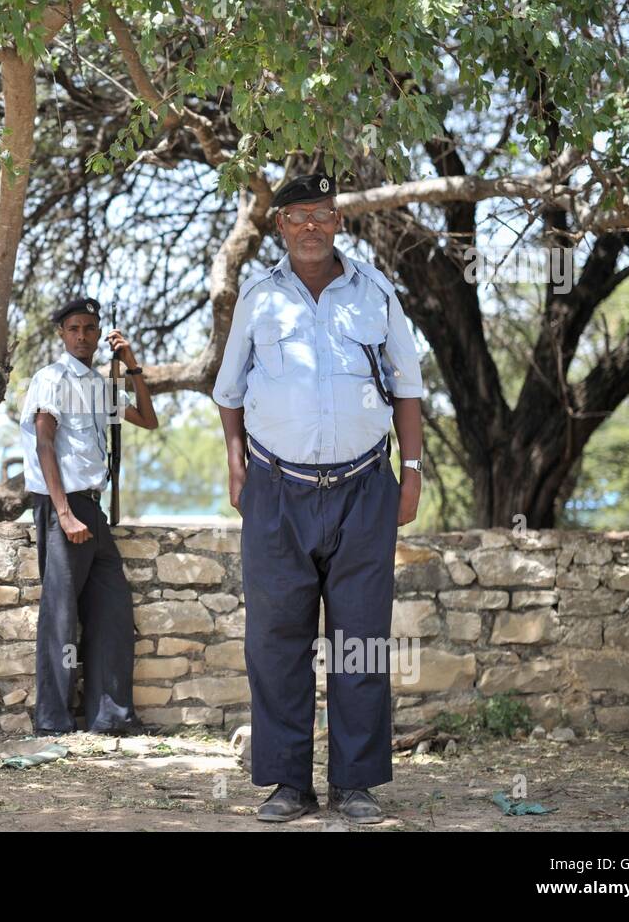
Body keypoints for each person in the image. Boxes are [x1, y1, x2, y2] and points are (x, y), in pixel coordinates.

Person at [211, 172, 425, 824]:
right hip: (277, 491)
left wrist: (411, 468)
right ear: (280, 226)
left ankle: (356, 783)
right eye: (297, 215)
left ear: (338, 222)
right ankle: (287, 785)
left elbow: (407, 384)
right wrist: (236, 461)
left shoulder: (376, 291)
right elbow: (229, 390)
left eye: (322, 214)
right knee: (277, 640)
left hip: (365, 488)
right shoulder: (258, 297)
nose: (310, 225)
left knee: (361, 638)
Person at [19, 297, 159, 736]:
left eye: (90, 329)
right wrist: (63, 514)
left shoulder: (101, 385)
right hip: (63, 505)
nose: (83, 336)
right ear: (62, 333)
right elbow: (45, 445)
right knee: (60, 614)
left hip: (92, 507)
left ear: (100, 335)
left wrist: (132, 364)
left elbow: (148, 419)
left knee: (113, 607)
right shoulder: (51, 379)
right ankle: (53, 721)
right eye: (74, 328)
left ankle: (111, 716)